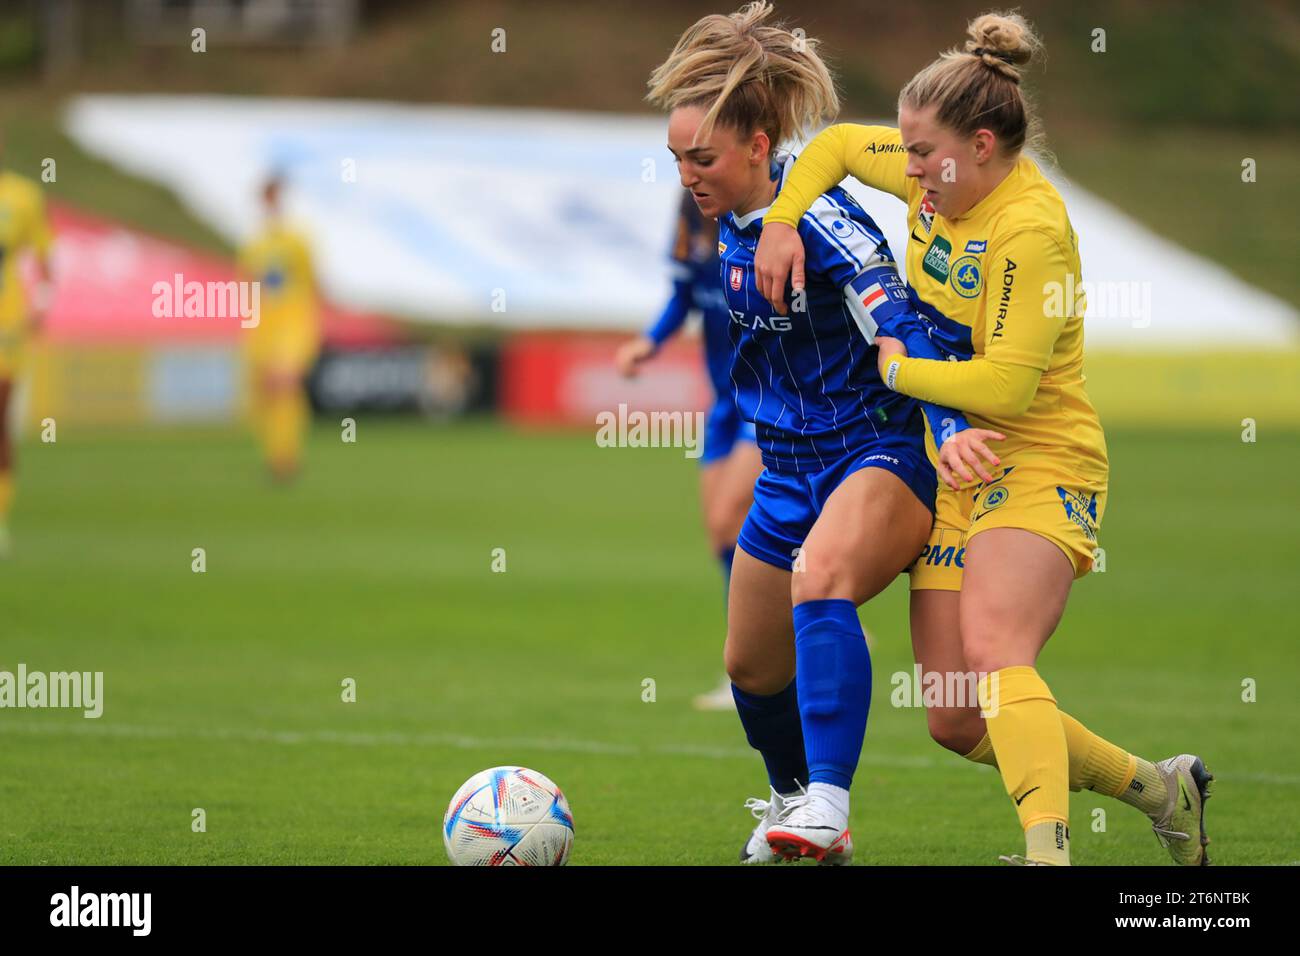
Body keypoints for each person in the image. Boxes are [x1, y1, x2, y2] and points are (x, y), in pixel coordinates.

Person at [755, 11, 1212, 865]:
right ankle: (1160, 789)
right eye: (908, 149)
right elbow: (830, 149)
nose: (910, 170)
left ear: (986, 144)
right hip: (957, 463)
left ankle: (1047, 853)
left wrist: (894, 369)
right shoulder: (933, 168)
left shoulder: (1029, 231)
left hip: (1039, 457)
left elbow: (1009, 384)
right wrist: (784, 217)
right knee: (956, 714)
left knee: (999, 647)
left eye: (925, 154)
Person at [646, 2, 1000, 864]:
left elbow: (900, 323)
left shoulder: (823, 223)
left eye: (704, 158)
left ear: (760, 147)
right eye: (677, 159)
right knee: (750, 668)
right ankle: (793, 800)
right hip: (787, 469)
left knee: (822, 577)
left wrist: (948, 424)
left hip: (877, 451)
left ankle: (831, 806)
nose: (688, 174)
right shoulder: (728, 225)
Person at [615, 189, 764, 713]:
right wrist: (648, 342)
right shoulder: (691, 229)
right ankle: (764, 651)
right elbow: (680, 300)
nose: (696, 177)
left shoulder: (763, 228)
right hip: (724, 406)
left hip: (765, 402)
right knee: (720, 532)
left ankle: (760, 663)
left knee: (731, 519)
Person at [238, 175, 322, 482]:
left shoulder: (298, 240)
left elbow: (314, 282)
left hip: (293, 325)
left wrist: (313, 324)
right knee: (265, 394)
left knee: (284, 385)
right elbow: (249, 287)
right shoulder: (254, 245)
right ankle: (274, 454)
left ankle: (286, 459)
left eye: (273, 195)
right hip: (263, 328)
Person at [0, 152, 54, 556]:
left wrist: (41, 304)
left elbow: (46, 259)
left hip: (6, 323)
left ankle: (0, 520)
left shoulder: (22, 195)